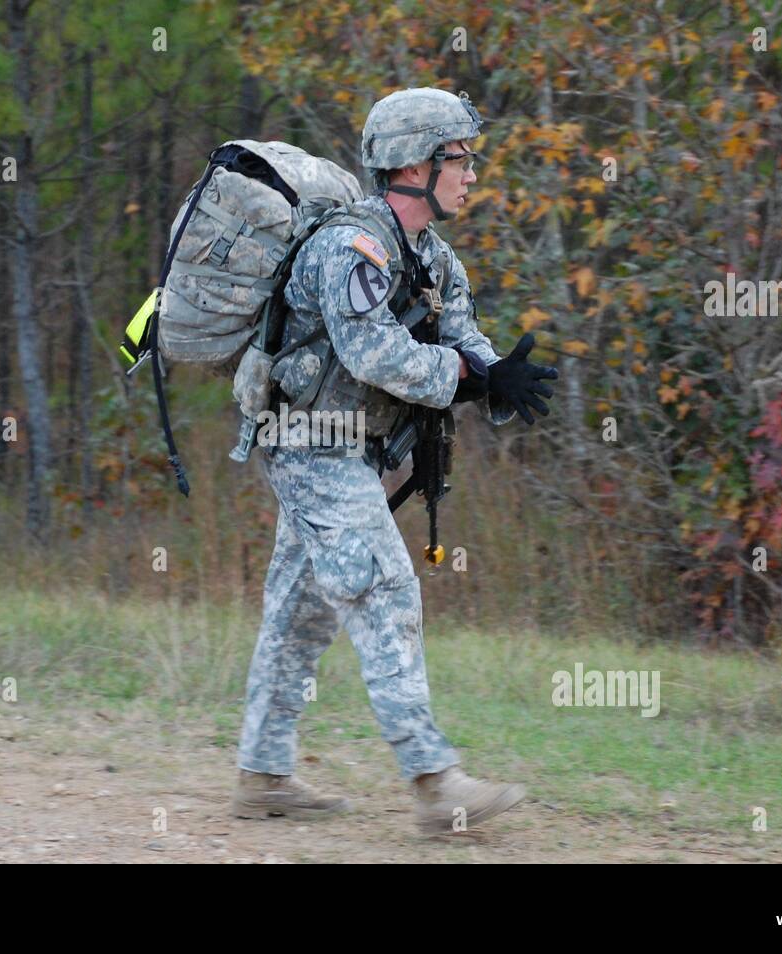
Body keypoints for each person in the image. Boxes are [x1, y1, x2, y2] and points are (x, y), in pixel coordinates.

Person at [232, 88, 559, 834]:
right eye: (460, 157)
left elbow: (464, 342)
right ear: (414, 163)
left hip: (350, 450)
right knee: (384, 590)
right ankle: (435, 783)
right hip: (310, 443)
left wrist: (499, 377)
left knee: (298, 615)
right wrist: (470, 379)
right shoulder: (352, 248)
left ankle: (261, 773)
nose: (471, 172)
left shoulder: (435, 259)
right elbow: (374, 354)